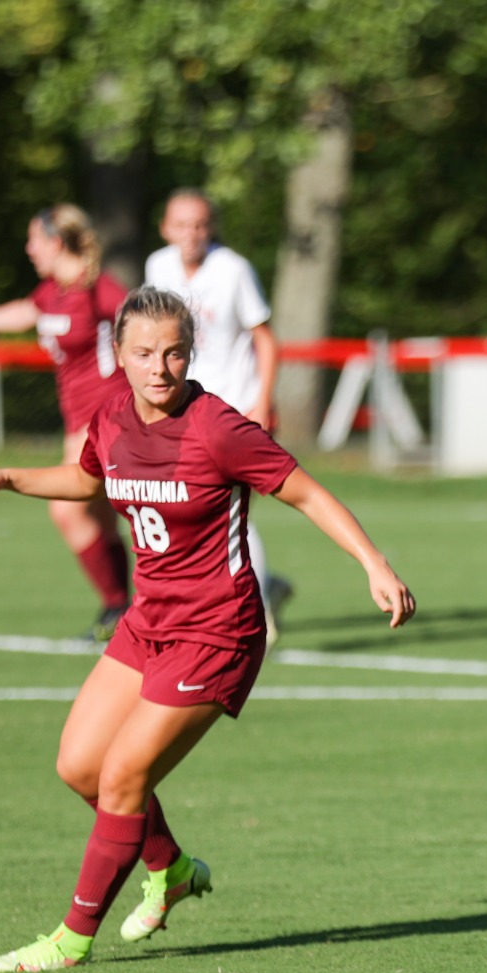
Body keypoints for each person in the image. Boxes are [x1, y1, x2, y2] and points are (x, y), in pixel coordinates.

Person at [0, 286, 415, 973]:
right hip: (148, 621)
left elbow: (306, 490)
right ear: (119, 355)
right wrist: (6, 476)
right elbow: (87, 482)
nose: (159, 368)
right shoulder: (110, 418)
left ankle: (70, 939)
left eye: (173, 352)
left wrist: (373, 563)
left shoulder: (216, 427)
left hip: (218, 631)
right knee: (79, 766)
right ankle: (170, 867)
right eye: (143, 353)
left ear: (191, 353)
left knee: (123, 775)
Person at [0, 204, 135, 640]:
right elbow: (28, 312)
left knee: (69, 511)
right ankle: (122, 611)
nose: (29, 248)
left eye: (35, 239)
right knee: (100, 520)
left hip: (109, 418)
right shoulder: (53, 291)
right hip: (77, 424)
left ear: (56, 242)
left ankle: (126, 608)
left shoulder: (99, 290)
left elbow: (143, 319)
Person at [143, 189, 293, 642]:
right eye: (183, 225)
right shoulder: (157, 267)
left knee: (234, 514)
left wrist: (263, 401)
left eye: (201, 225)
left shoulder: (233, 269)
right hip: (182, 408)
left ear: (212, 228)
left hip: (232, 409)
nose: (192, 234)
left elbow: (265, 340)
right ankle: (264, 588)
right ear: (167, 228)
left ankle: (259, 610)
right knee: (185, 510)